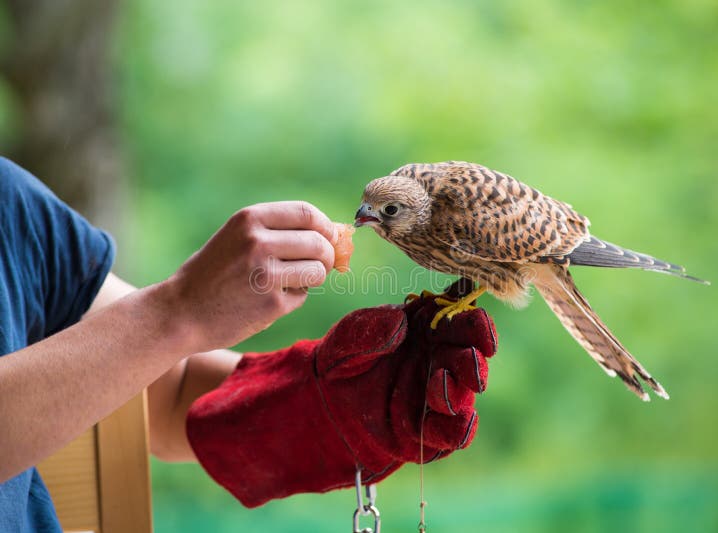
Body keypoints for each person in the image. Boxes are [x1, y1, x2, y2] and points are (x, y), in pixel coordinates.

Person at [0, 156, 496, 531]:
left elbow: (159, 394)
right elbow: (160, 326)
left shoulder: (11, 205)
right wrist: (178, 311)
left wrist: (328, 403)